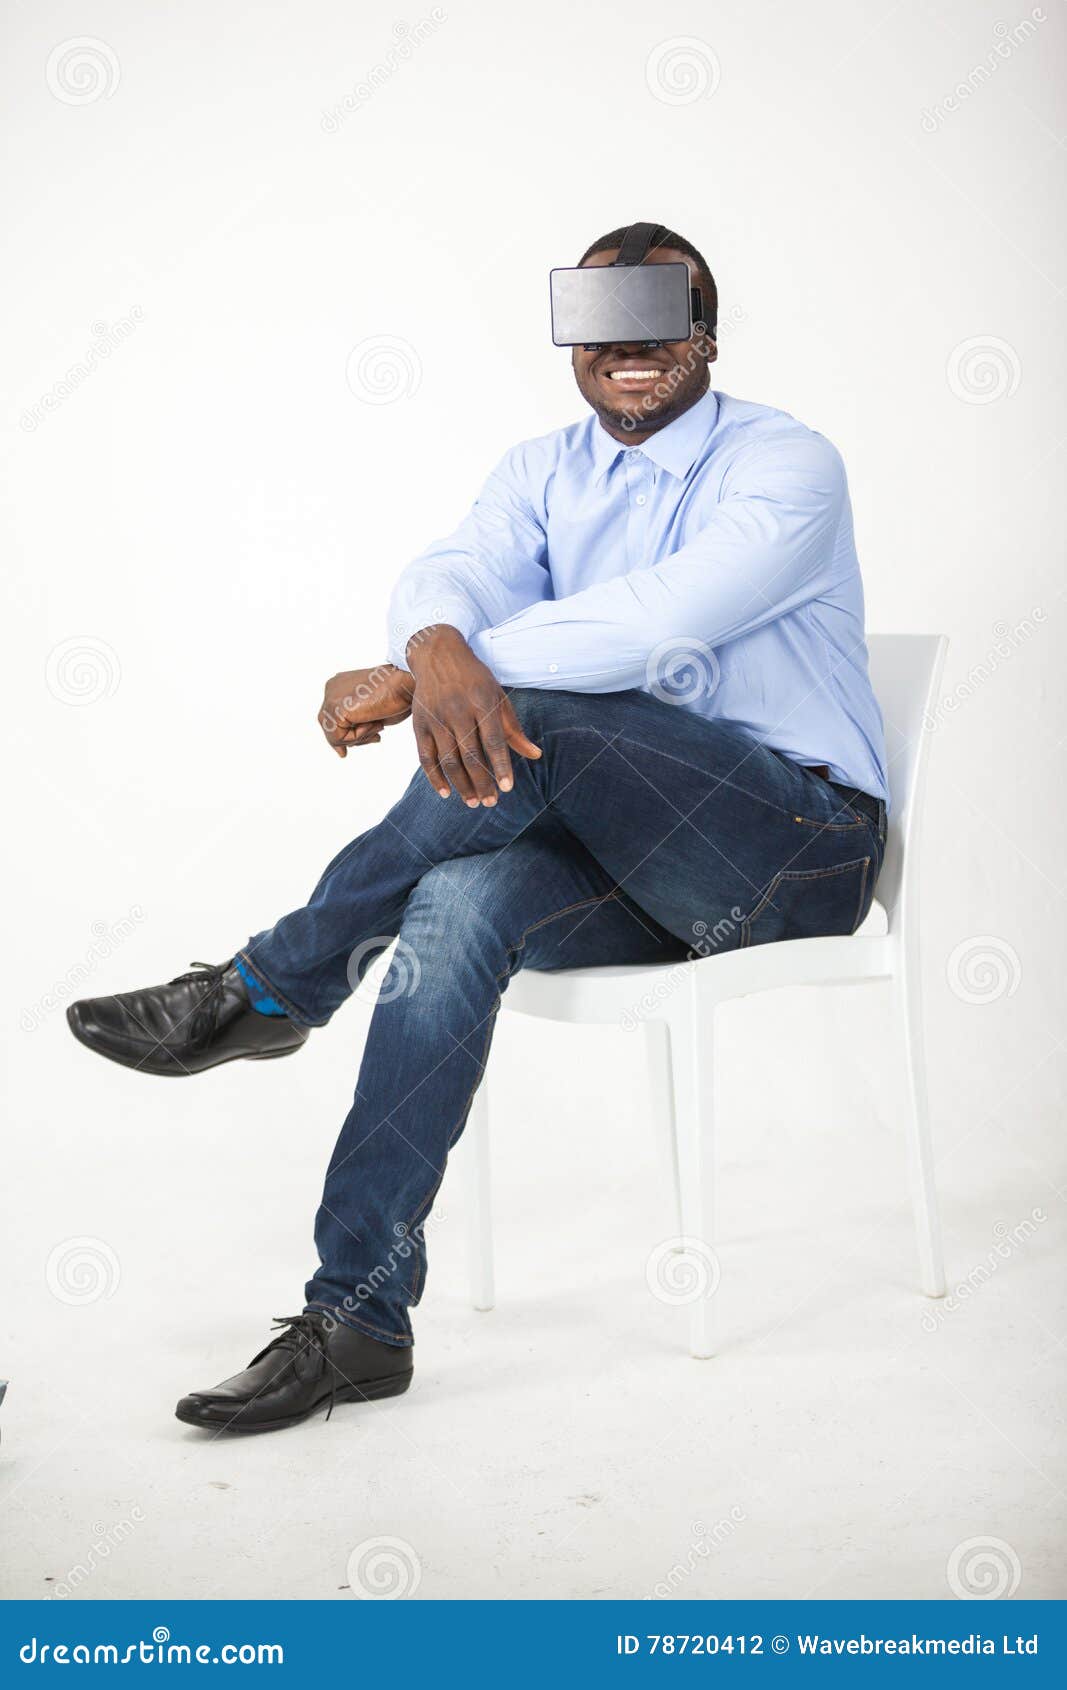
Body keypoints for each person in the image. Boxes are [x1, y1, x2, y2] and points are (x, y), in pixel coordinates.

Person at [67, 223, 888, 1435]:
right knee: (452, 907)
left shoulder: (787, 468)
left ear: (706, 332)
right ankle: (356, 1315)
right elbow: (449, 569)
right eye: (598, 322)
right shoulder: (539, 471)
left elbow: (655, 624)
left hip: (790, 850)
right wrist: (434, 646)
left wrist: (428, 679)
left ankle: (268, 986)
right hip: (632, 867)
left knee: (551, 706)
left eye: (660, 317)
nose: (628, 348)